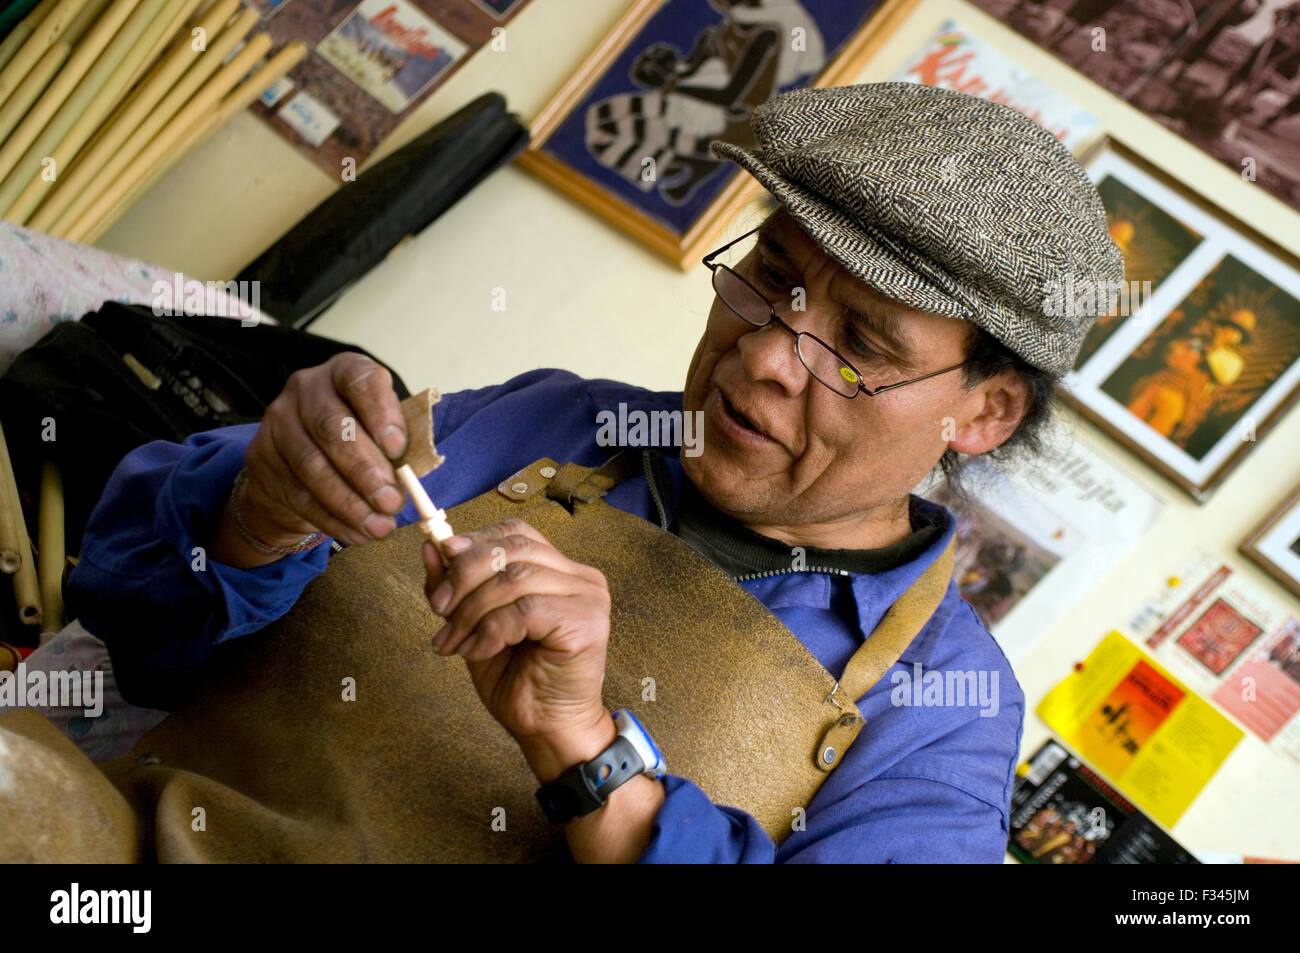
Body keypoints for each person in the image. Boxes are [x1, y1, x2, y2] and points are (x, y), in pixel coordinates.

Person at [65, 82, 1124, 863]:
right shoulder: (556, 419)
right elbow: (131, 620)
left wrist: (587, 752)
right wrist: (259, 510)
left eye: (862, 346)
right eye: (770, 279)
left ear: (981, 412)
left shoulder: (943, 703)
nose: (762, 353)